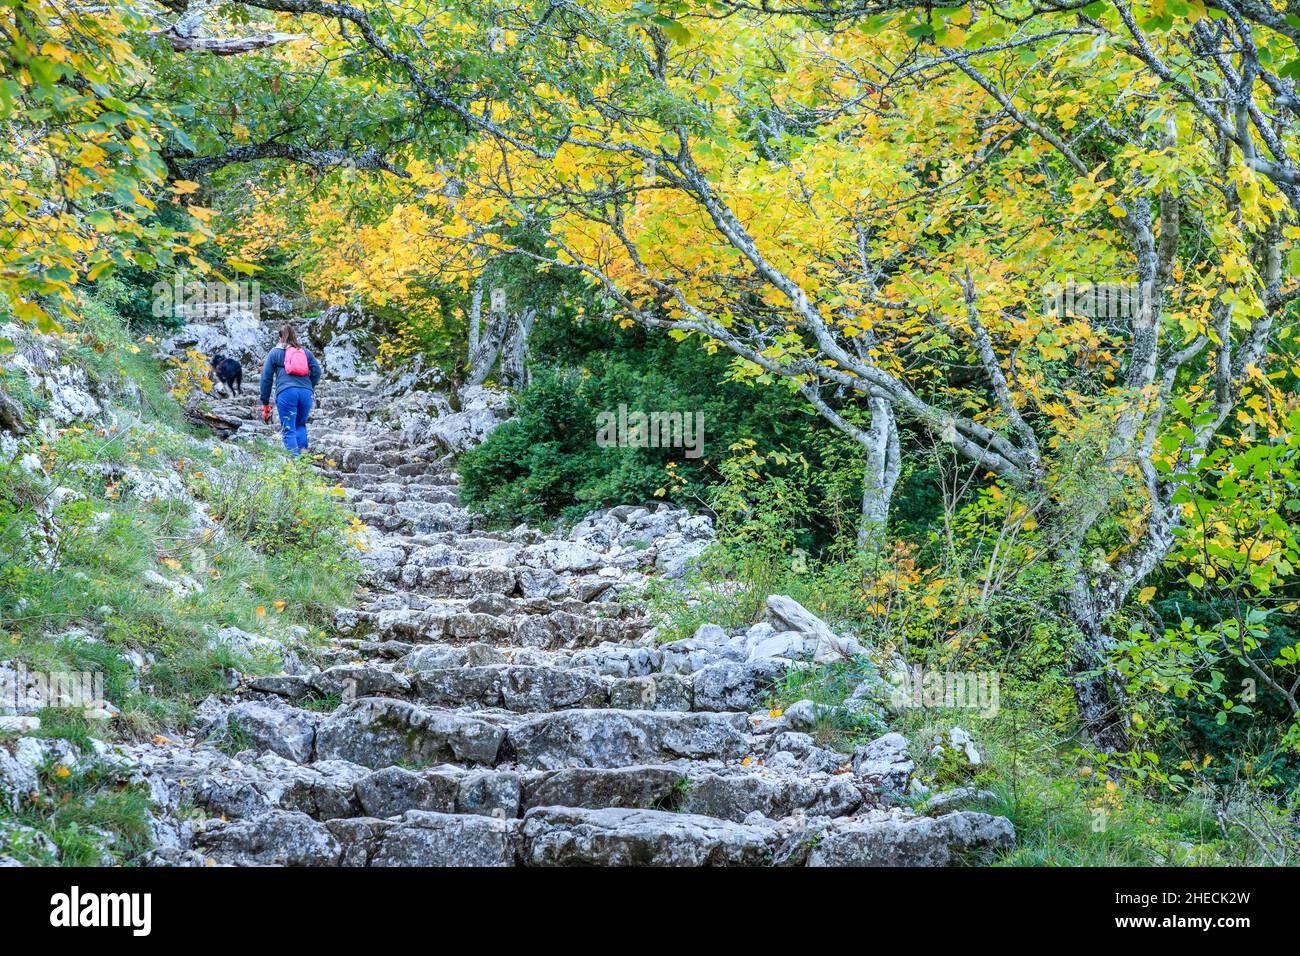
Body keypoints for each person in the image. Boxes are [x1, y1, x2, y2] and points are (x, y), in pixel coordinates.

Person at [259, 324, 322, 455]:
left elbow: (266, 378)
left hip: (286, 393)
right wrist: (309, 386)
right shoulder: (305, 353)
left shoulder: (275, 353)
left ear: (280, 337)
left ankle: (295, 462)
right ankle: (304, 459)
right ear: (295, 336)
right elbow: (317, 371)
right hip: (306, 393)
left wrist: (265, 401)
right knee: (300, 425)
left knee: (289, 428)